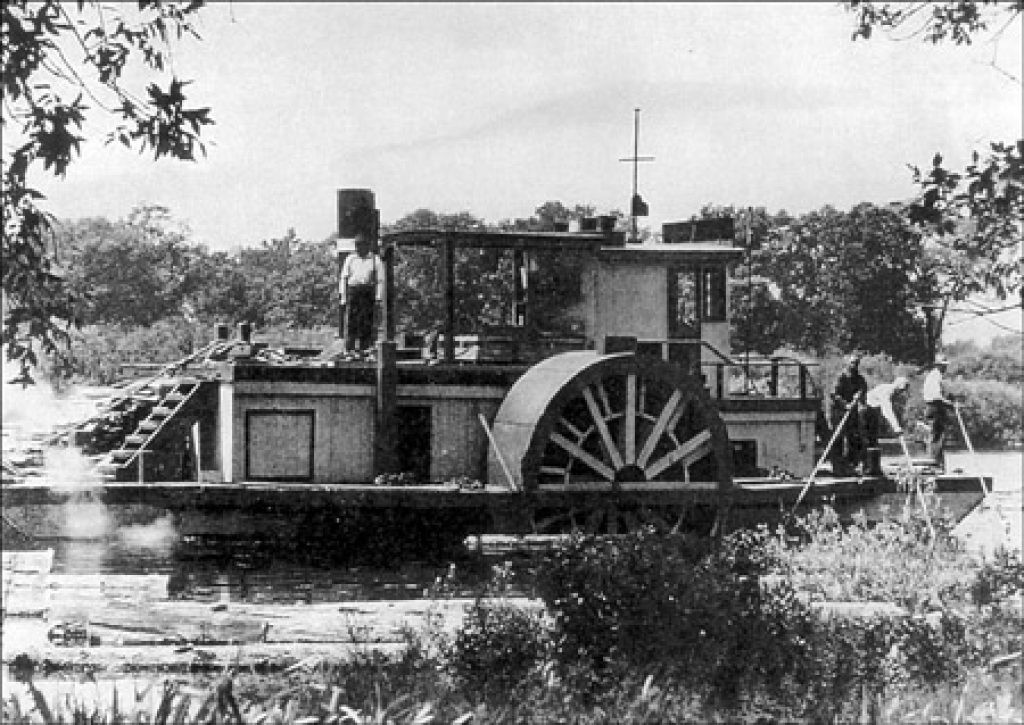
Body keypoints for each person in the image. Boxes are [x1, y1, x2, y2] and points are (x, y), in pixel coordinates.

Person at [339, 231, 384, 358]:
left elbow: (380, 280)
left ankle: (364, 349)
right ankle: (349, 349)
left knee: (366, 321)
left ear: (368, 246)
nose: (359, 248)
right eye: (357, 245)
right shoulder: (350, 259)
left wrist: (378, 297)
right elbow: (344, 278)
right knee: (351, 321)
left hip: (367, 291)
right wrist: (343, 296)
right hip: (353, 291)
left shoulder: (375, 260)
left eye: (362, 245)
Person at [829, 353, 869, 475]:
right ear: (847, 364)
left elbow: (863, 391)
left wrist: (860, 395)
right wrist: (845, 404)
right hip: (838, 411)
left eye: (856, 363)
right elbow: (833, 394)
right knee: (838, 438)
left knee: (854, 437)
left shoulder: (860, 378)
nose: (854, 365)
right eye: (852, 363)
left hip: (852, 412)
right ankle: (837, 466)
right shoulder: (841, 377)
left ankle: (852, 464)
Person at [922, 355, 955, 466]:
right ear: (938, 365)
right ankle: (934, 463)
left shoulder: (937, 376)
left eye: (945, 365)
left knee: (938, 437)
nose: (945, 368)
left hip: (936, 408)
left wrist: (947, 399)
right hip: (934, 408)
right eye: (943, 365)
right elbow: (936, 397)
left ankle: (938, 463)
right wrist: (948, 403)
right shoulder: (935, 376)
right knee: (936, 437)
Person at [864, 375, 910, 449]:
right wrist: (896, 427)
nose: (902, 392)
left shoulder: (893, 393)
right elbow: (887, 410)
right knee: (867, 437)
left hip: (873, 410)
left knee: (873, 437)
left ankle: (871, 456)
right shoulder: (887, 391)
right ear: (898, 387)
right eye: (902, 390)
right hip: (866, 409)